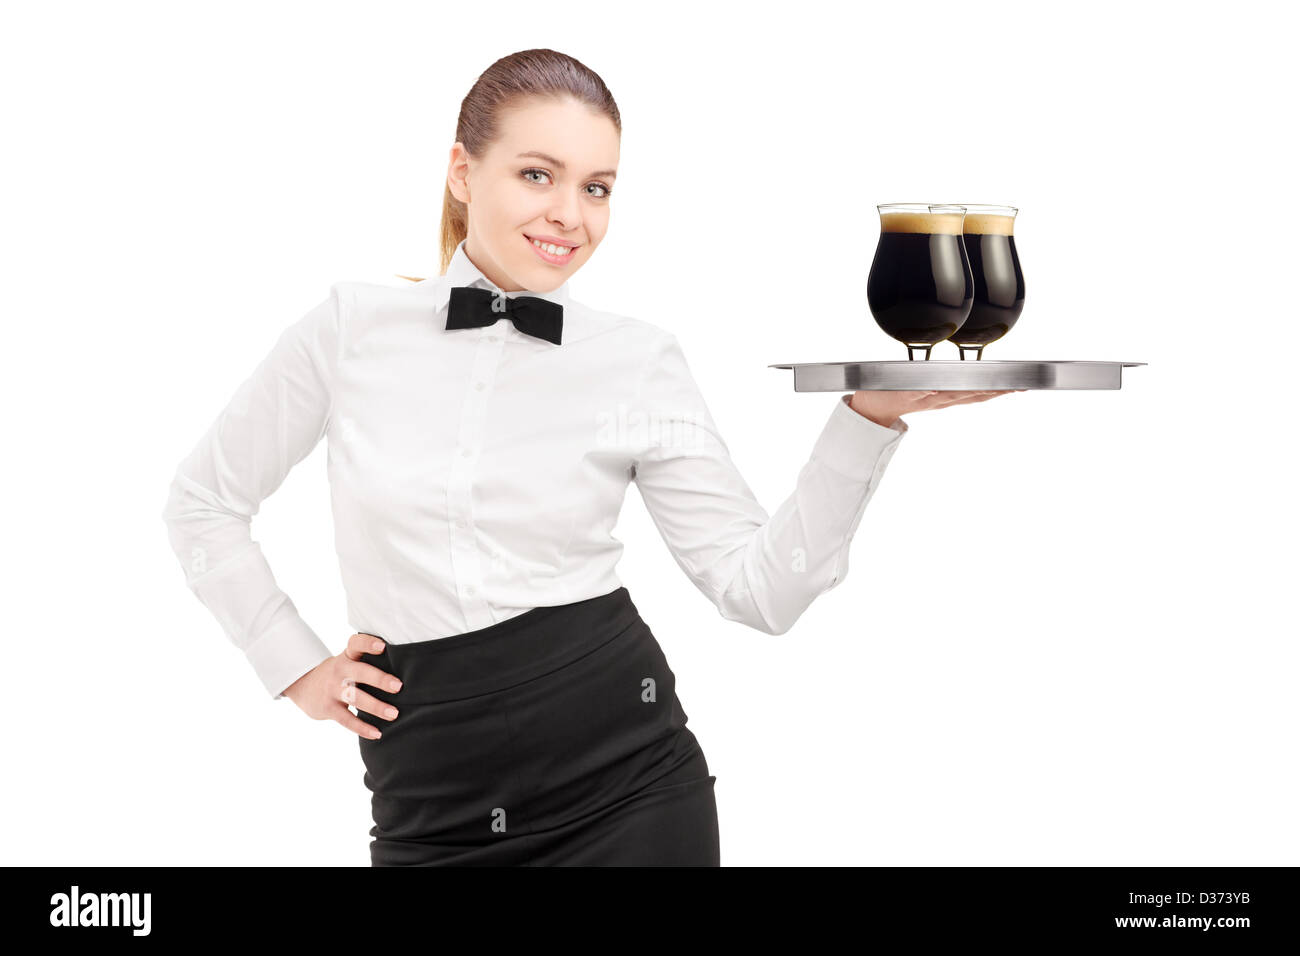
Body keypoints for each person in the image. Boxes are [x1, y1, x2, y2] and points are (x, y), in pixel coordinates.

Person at [160, 48, 1021, 867]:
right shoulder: (347, 328)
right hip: (428, 803)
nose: (570, 214)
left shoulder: (638, 361)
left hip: (629, 787)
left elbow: (759, 591)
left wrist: (865, 420)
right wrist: (296, 667)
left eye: (596, 186)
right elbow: (203, 502)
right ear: (463, 173)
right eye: (538, 173)